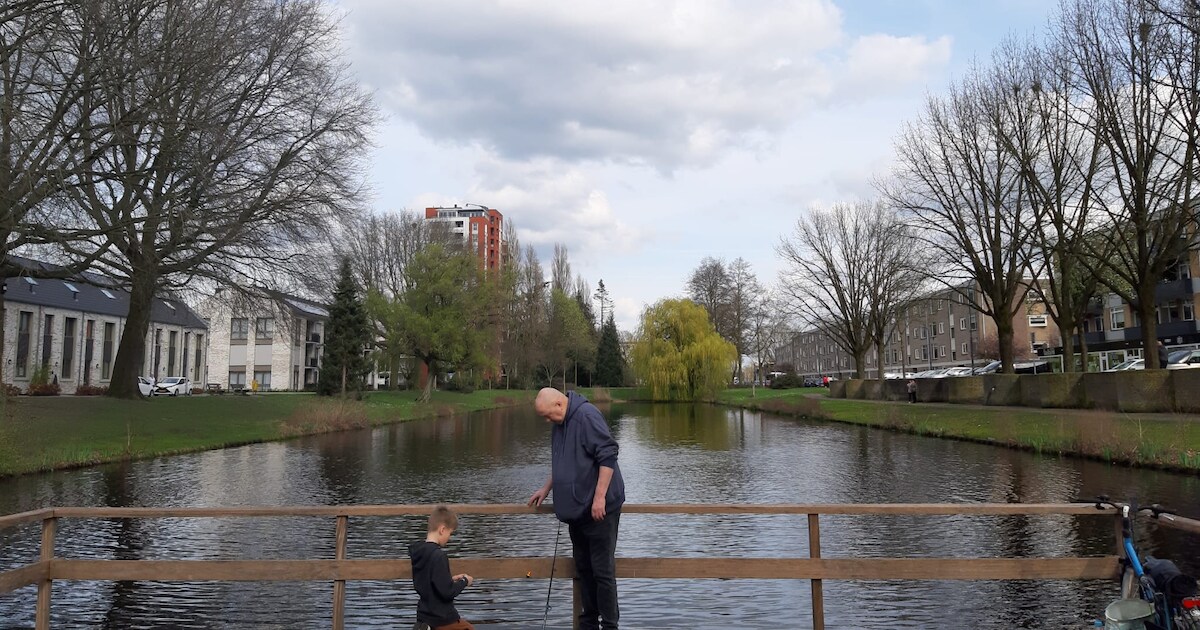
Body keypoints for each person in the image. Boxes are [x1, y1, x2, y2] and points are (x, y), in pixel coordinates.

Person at [528, 387, 624, 630]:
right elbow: (563, 462)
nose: (547, 421)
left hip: (599, 511)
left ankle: (610, 626)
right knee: (584, 568)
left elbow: (608, 455)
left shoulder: (587, 416)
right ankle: (588, 623)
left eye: (548, 415)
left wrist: (600, 498)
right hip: (577, 512)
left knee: (602, 571)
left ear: (559, 405)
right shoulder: (560, 423)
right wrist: (546, 488)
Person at [408, 506, 475, 630]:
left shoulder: (419, 553)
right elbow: (447, 593)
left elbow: (429, 582)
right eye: (450, 533)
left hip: (424, 615)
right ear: (442, 530)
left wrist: (450, 579)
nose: (449, 538)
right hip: (441, 618)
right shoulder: (438, 555)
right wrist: (465, 581)